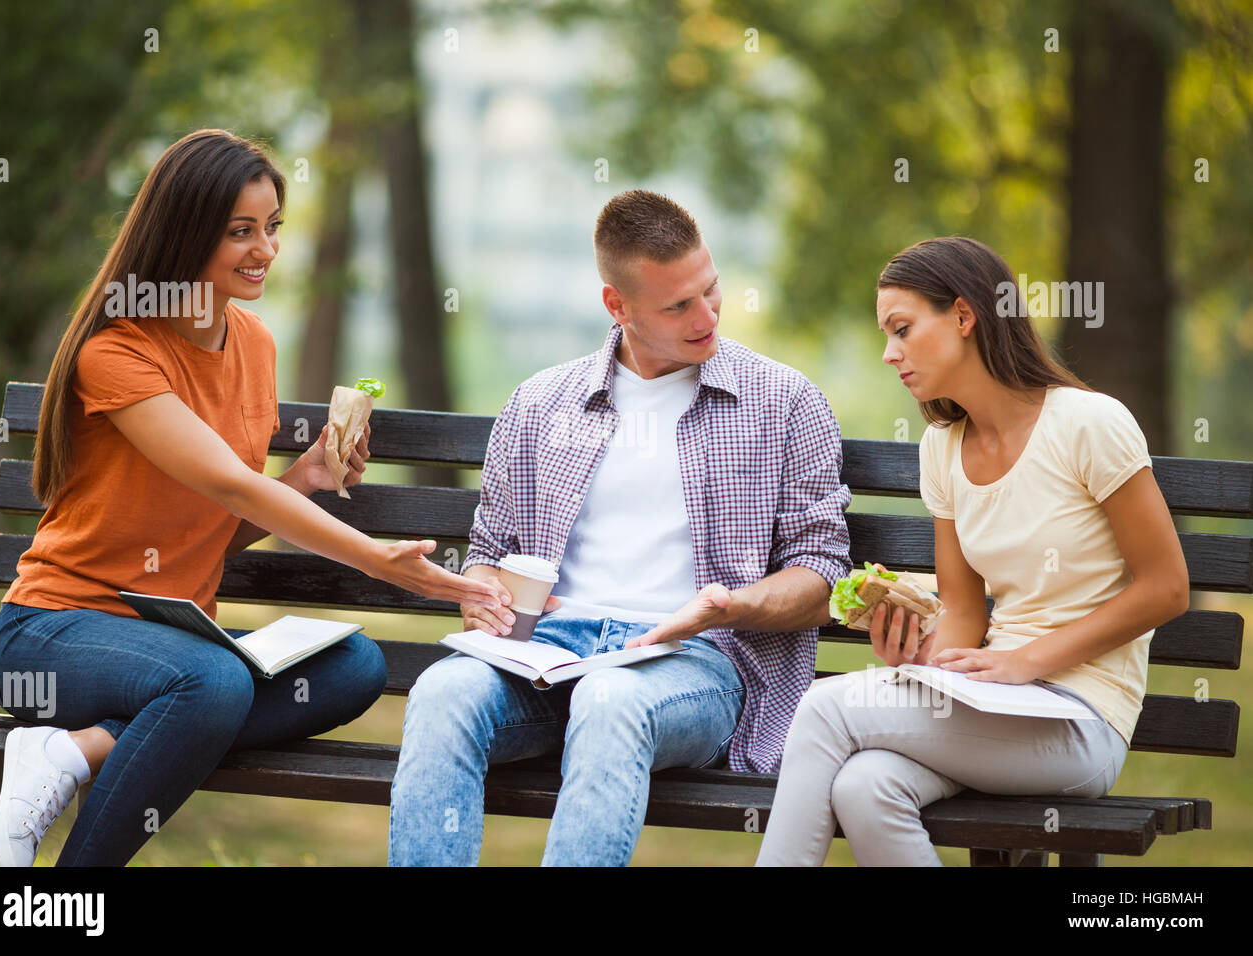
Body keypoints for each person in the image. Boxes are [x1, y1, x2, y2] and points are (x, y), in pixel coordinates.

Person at [0, 129, 504, 867]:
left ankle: (71, 753)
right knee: (210, 682)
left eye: (272, 228)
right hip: (53, 634)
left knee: (352, 666)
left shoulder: (254, 344)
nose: (265, 249)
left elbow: (215, 526)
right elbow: (229, 482)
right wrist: (381, 562)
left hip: (175, 645)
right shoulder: (118, 351)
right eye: (240, 232)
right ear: (186, 231)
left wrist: (306, 479)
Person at [387, 189, 853, 866]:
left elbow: (823, 575)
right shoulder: (542, 402)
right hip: (545, 657)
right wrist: (480, 593)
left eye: (710, 291)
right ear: (618, 306)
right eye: (678, 305)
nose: (707, 317)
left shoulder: (784, 402)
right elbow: (489, 553)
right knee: (442, 691)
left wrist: (731, 606)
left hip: (692, 665)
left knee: (611, 699)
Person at [756, 236, 1190, 866]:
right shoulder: (942, 448)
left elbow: (1166, 587)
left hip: (1079, 719)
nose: (888, 353)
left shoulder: (1089, 424)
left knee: (826, 707)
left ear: (964, 317)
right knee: (866, 786)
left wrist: (1027, 661)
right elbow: (962, 611)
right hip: (990, 705)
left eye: (902, 329)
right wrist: (915, 651)